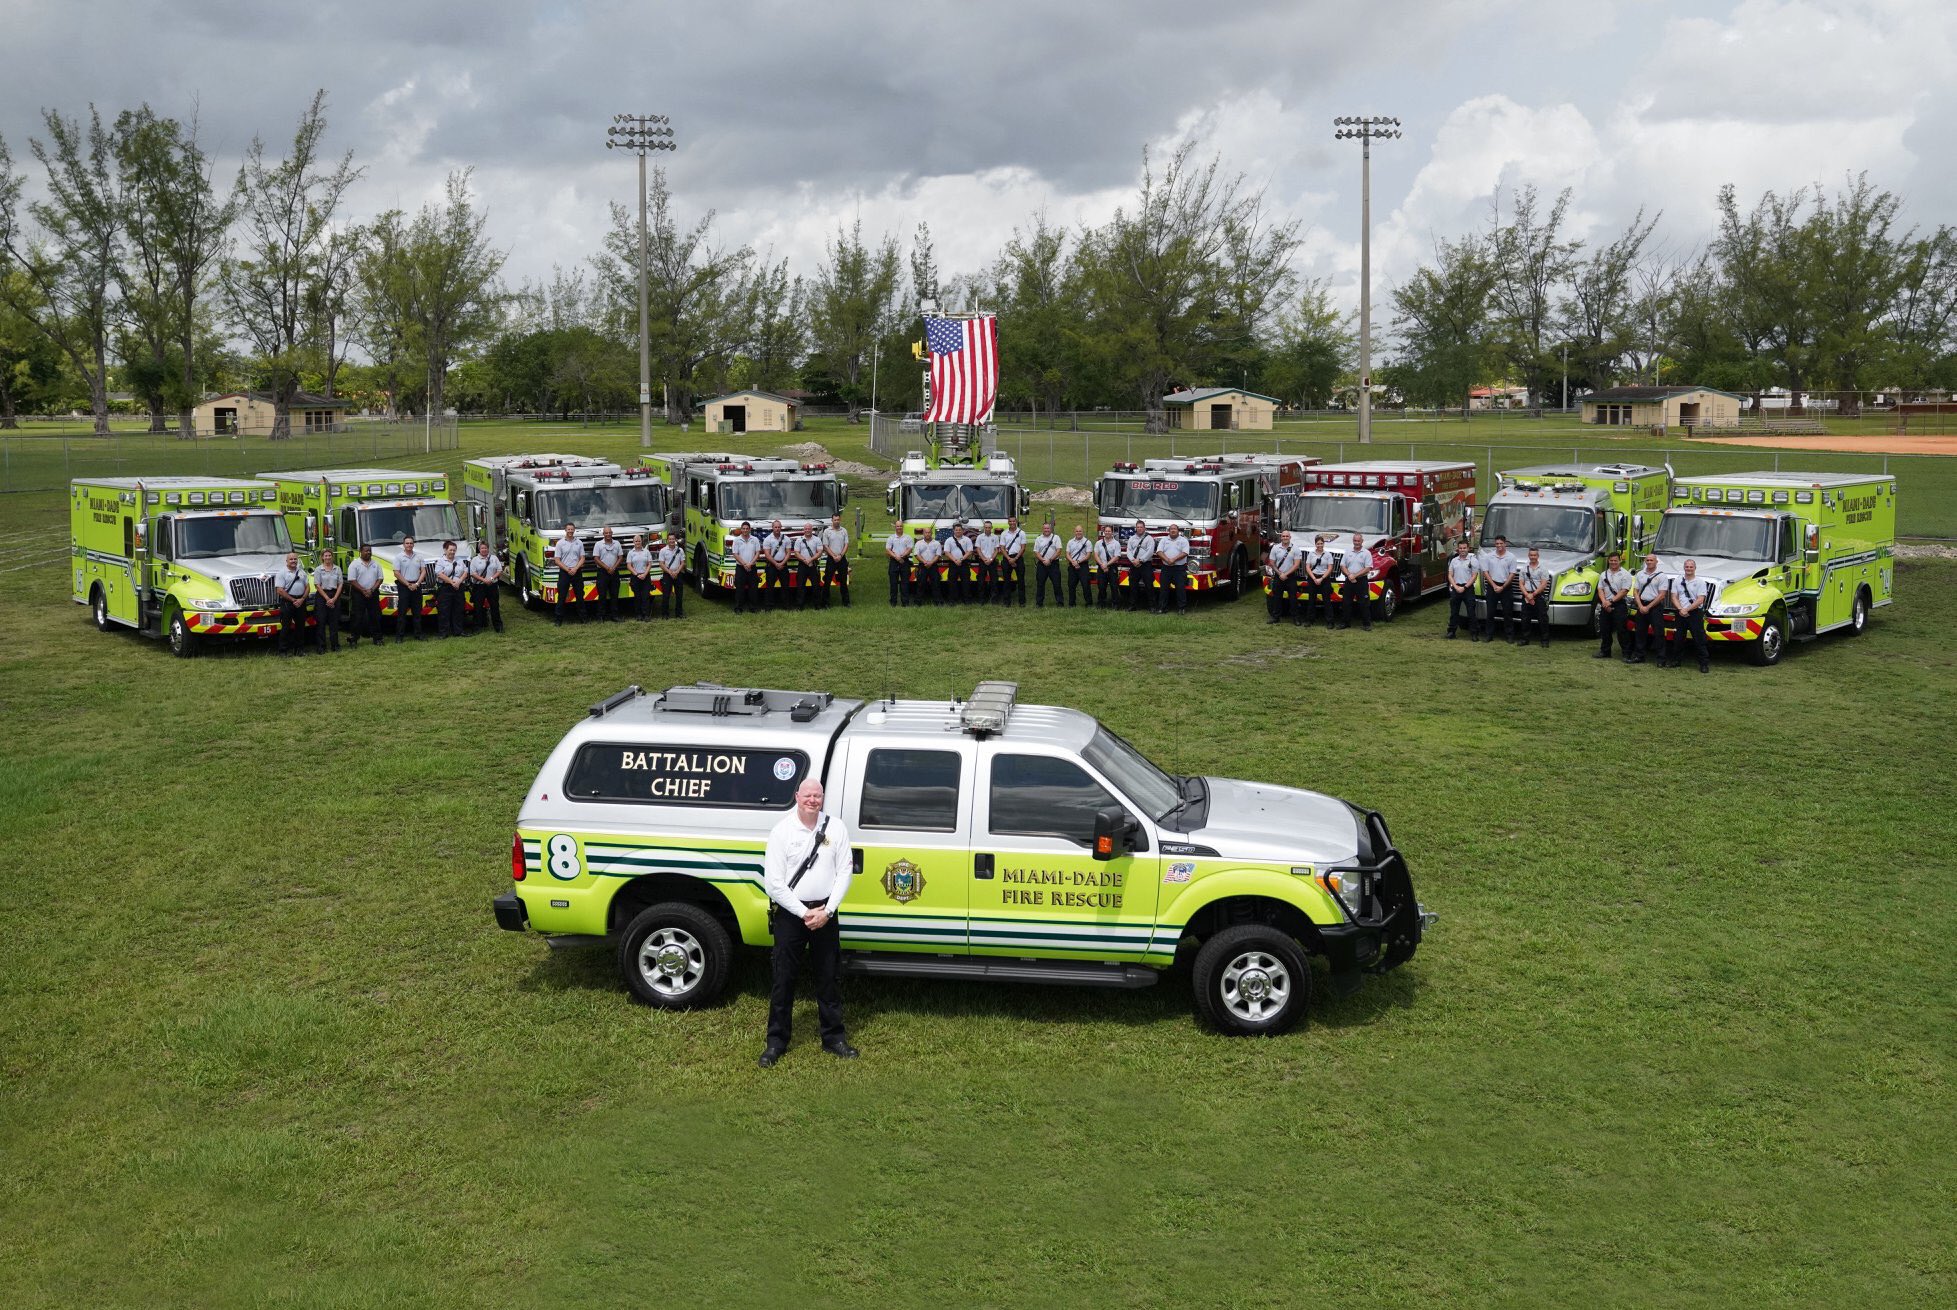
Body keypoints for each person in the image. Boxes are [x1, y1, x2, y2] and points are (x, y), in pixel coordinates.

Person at [759, 778, 857, 1067]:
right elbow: (774, 884)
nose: (813, 800)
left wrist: (827, 911)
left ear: (823, 797)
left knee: (829, 977)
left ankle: (834, 1039)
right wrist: (805, 913)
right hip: (791, 915)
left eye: (817, 795)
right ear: (797, 796)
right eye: (807, 795)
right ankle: (776, 1043)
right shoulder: (782, 831)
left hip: (826, 912)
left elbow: (845, 873)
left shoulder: (836, 828)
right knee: (783, 979)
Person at [1670, 559, 1713, 673]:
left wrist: (1687, 609)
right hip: (1680, 612)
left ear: (1695, 568)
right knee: (1678, 638)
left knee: (1699, 639)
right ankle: (1676, 661)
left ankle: (1704, 664)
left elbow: (1700, 600)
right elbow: (1674, 597)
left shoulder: (1700, 582)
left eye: (1691, 567)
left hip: (1695, 613)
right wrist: (1680, 609)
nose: (1688, 569)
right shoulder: (1677, 581)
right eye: (1687, 567)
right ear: (1684, 567)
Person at [1630, 552, 1669, 665]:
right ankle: (1639, 656)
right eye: (1647, 560)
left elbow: (1662, 595)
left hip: (1655, 607)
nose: (1649, 562)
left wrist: (1648, 607)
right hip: (1641, 605)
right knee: (1640, 632)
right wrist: (1640, 606)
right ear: (1645, 561)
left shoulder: (1662, 576)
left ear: (1656, 562)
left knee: (1659, 633)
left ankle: (1661, 659)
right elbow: (1635, 591)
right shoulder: (1640, 574)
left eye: (1651, 560)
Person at [1594, 552, 1633, 660]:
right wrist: (1604, 602)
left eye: (1615, 560)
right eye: (1611, 560)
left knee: (1621, 630)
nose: (1613, 562)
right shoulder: (1603, 574)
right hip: (1605, 603)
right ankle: (1605, 651)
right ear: (1608, 561)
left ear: (1620, 561)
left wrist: (1610, 601)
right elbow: (1600, 589)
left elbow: (1624, 591)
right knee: (1604, 629)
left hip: (1619, 604)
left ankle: (1626, 653)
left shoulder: (1625, 574)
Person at [1480, 536, 1517, 644]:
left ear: (1505, 544)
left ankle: (1509, 635)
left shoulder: (1511, 557)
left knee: (1508, 613)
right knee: (1490, 612)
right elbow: (1485, 572)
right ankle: (1489, 635)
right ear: (1495, 544)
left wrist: (1503, 587)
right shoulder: (1489, 556)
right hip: (1492, 586)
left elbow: (1512, 574)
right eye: (1497, 543)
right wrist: (1494, 585)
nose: (1499, 545)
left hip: (1506, 587)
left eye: (1501, 543)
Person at [273, 552, 310, 656]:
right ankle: (283, 651)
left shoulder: (301, 572)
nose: (293, 561)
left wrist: (302, 599)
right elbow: (280, 590)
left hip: (301, 601)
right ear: (287, 561)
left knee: (300, 627)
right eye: (291, 559)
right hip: (287, 602)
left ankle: (299, 650)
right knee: (286, 627)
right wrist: (293, 600)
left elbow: (307, 587)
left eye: (295, 559)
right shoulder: (281, 573)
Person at [347, 543, 384, 647]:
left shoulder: (376, 564)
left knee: (375, 616)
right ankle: (354, 639)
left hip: (373, 593)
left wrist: (372, 590)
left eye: (369, 551)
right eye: (366, 551)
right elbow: (352, 580)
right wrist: (363, 590)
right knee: (357, 617)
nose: (368, 552)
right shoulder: (354, 564)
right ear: (361, 551)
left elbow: (380, 579)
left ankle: (377, 638)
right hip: (358, 594)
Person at [1516, 547, 1552, 648]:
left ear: (1538, 556)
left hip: (1539, 596)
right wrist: (1527, 595)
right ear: (1528, 556)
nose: (1533, 557)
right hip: (1526, 595)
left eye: (1534, 555)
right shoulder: (1524, 568)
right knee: (1525, 618)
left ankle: (1545, 640)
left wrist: (1533, 594)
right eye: (1531, 555)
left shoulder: (1543, 569)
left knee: (1543, 619)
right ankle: (1525, 639)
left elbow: (1543, 584)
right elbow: (1521, 583)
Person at [433, 539, 470, 637]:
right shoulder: (441, 561)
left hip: (458, 587)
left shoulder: (459, 560)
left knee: (458, 609)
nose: (452, 552)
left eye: (454, 550)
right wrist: (451, 582)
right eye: (450, 550)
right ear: (445, 550)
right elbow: (439, 574)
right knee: (444, 611)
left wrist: (459, 581)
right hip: (445, 588)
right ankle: (443, 632)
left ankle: (458, 631)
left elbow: (465, 571)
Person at [1445, 538, 1479, 640]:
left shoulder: (1473, 560)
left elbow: (1474, 576)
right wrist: (1455, 587)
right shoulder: (1454, 561)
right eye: (1460, 548)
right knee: (1454, 612)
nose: (1462, 550)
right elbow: (1450, 575)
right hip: (1456, 588)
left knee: (1471, 612)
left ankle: (1474, 633)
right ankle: (1451, 632)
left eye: (1464, 548)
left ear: (1468, 548)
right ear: (1458, 549)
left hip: (1468, 588)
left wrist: (1465, 587)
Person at [395, 536, 428, 641]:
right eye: (407, 543)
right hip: (404, 586)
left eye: (411, 543)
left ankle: (418, 634)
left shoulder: (419, 557)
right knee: (402, 612)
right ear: (403, 545)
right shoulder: (398, 557)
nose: (409, 545)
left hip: (416, 586)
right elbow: (396, 573)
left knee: (417, 612)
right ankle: (399, 636)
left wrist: (417, 584)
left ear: (413, 544)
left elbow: (423, 571)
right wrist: (407, 584)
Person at [1339, 532, 1374, 631]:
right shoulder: (1348, 552)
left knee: (1364, 603)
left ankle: (1366, 624)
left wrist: (1355, 575)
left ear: (1362, 541)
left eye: (1358, 541)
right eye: (1355, 540)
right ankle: (1345, 623)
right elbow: (1342, 565)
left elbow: (1368, 568)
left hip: (1361, 581)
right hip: (1349, 580)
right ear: (1353, 541)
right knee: (1346, 602)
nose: (1356, 542)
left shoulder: (1366, 553)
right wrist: (1349, 575)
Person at [312, 549, 345, 653]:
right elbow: (317, 585)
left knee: (334, 622)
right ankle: (321, 647)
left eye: (329, 555)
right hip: (322, 596)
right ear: (322, 557)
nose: (328, 557)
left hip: (335, 595)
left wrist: (334, 598)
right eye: (325, 556)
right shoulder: (318, 569)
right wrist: (327, 598)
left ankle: (335, 645)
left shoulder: (337, 569)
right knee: (321, 622)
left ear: (332, 557)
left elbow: (340, 584)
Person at [552, 525, 585, 627]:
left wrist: (575, 568)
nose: (570, 531)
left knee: (580, 596)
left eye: (572, 529)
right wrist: (567, 569)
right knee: (562, 597)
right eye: (568, 529)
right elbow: (557, 560)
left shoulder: (579, 542)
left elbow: (582, 558)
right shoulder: (560, 543)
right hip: (564, 573)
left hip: (577, 572)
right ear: (565, 530)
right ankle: (558, 620)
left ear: (574, 530)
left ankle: (583, 618)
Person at [469, 540, 505, 634]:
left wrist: (492, 578)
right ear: (479, 549)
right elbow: (473, 573)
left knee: (494, 606)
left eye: (485, 548)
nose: (484, 550)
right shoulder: (475, 560)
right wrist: (484, 580)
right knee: (478, 607)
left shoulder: (494, 558)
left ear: (488, 549)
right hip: (479, 586)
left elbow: (499, 570)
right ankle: (477, 627)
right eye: (482, 548)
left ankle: (498, 626)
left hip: (492, 585)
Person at [1301, 535, 1335, 628]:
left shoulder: (1328, 555)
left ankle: (1330, 621)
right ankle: (1309, 620)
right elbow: (1307, 567)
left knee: (1327, 600)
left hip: (1324, 578)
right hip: (1313, 578)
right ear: (1315, 544)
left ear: (1324, 544)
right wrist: (1314, 578)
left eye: (1321, 543)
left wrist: (1322, 578)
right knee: (1311, 600)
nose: (1320, 545)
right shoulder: (1311, 554)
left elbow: (1330, 568)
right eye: (1318, 543)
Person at [1156, 523, 1190, 614]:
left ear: (1178, 531)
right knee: (1163, 588)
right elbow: (1159, 551)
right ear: (1169, 531)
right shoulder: (1164, 540)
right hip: (1166, 568)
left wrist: (1174, 559)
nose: (1173, 530)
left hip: (1179, 568)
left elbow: (1185, 552)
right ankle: (1162, 608)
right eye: (1171, 529)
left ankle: (1181, 608)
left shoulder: (1183, 540)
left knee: (1180, 588)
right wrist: (1167, 560)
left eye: (1175, 529)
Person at [592, 526, 624, 622]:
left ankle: (614, 616)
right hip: (602, 572)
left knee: (614, 595)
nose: (608, 534)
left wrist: (613, 568)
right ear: (603, 534)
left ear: (612, 533)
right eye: (606, 533)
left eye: (609, 532)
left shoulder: (617, 543)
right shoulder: (598, 544)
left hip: (614, 572)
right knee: (602, 595)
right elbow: (596, 558)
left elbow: (620, 557)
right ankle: (600, 616)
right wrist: (607, 568)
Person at [730, 522, 761, 614]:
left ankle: (753, 608)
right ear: (741, 529)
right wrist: (744, 564)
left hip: (752, 567)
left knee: (753, 588)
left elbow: (757, 553)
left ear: (750, 529)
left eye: (747, 528)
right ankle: (738, 608)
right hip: (740, 567)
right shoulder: (737, 540)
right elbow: (735, 554)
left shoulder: (755, 539)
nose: (745, 530)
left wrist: (750, 564)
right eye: (743, 528)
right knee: (740, 589)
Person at [821, 514, 852, 607]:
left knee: (843, 581)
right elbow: (825, 546)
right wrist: (834, 556)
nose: (836, 521)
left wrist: (841, 555)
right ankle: (825, 603)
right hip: (831, 559)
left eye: (838, 520)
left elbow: (846, 544)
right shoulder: (827, 531)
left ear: (840, 520)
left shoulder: (844, 531)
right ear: (832, 520)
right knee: (827, 581)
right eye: (835, 520)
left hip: (842, 558)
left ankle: (846, 602)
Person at [1265, 532, 1295, 625]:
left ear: (1290, 537)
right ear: (1281, 537)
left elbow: (1297, 564)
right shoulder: (1275, 548)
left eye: (1287, 536)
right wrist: (1279, 573)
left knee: (1293, 598)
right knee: (1276, 597)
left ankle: (1295, 618)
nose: (1285, 538)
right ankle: (1275, 617)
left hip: (1290, 576)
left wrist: (1286, 574)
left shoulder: (1295, 548)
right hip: (1279, 575)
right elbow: (1272, 562)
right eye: (1283, 536)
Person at [1126, 521, 1155, 612]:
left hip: (1145, 564)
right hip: (1134, 564)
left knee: (1149, 586)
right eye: (1138, 527)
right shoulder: (1131, 538)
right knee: (1133, 586)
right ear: (1136, 528)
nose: (1139, 528)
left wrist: (1140, 560)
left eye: (1141, 527)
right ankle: (1132, 605)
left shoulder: (1149, 539)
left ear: (1144, 528)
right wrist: (1133, 560)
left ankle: (1152, 606)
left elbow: (1150, 552)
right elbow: (1128, 550)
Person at [1032, 520, 1062, 608]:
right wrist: (1043, 560)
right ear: (1042, 529)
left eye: (1048, 528)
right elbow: (1036, 552)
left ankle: (1060, 602)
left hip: (1054, 564)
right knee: (1040, 584)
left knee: (1057, 584)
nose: (1046, 530)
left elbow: (1059, 550)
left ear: (1051, 529)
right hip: (1042, 564)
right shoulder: (1038, 539)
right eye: (1045, 528)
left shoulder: (1056, 538)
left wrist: (1050, 560)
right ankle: (1039, 603)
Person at [658, 532, 687, 619]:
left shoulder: (680, 550)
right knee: (666, 595)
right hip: (667, 575)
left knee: (679, 595)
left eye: (673, 539)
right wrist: (670, 572)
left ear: (675, 540)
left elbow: (683, 563)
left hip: (678, 574)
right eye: (670, 539)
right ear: (667, 540)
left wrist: (677, 572)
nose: (671, 541)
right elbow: (661, 564)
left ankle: (679, 613)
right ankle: (665, 614)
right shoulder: (663, 550)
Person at [626, 533, 655, 621]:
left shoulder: (646, 552)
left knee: (645, 597)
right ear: (633, 542)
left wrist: (645, 574)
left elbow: (650, 564)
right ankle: (638, 615)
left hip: (645, 576)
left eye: (639, 541)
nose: (637, 542)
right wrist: (636, 574)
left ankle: (646, 615)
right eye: (636, 541)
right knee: (637, 597)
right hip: (635, 577)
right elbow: (629, 565)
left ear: (641, 541)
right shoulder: (631, 553)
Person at [792, 522, 821, 609]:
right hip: (802, 565)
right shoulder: (799, 540)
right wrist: (804, 560)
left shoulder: (817, 539)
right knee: (800, 586)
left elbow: (819, 552)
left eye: (809, 529)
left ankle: (817, 605)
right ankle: (800, 606)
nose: (807, 530)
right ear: (803, 530)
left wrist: (811, 560)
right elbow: (796, 553)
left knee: (816, 586)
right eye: (806, 529)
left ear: (812, 530)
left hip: (813, 565)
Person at [761, 519, 789, 609]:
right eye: (775, 527)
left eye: (779, 527)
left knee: (785, 586)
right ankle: (769, 606)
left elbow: (788, 553)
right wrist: (776, 564)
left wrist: (782, 563)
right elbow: (767, 554)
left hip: (783, 565)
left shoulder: (786, 539)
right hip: (772, 566)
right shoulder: (767, 539)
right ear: (772, 528)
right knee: (769, 587)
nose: (777, 528)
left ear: (781, 528)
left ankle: (786, 605)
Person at [1001, 515, 1028, 607]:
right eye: (1010, 521)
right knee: (1006, 581)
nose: (1012, 523)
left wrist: (1015, 559)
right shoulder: (1004, 533)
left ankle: (1022, 602)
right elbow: (1002, 548)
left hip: (1018, 558)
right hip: (1007, 558)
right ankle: (1007, 602)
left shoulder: (1022, 533)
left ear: (1016, 522)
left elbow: (1023, 548)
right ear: (1008, 522)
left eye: (1013, 521)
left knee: (1021, 581)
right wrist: (1009, 559)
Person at [1064, 524, 1093, 607]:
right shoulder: (1070, 542)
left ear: (1082, 532)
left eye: (1080, 531)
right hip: (1072, 565)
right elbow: (1067, 554)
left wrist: (1078, 562)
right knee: (1071, 585)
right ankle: (1072, 604)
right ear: (1074, 532)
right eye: (1077, 531)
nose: (1078, 532)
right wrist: (1073, 562)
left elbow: (1088, 555)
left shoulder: (1087, 542)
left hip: (1083, 566)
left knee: (1085, 585)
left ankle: (1089, 603)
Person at [884, 522, 912, 607]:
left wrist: (902, 556)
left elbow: (909, 548)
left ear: (902, 527)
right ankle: (893, 602)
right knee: (893, 583)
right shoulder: (891, 538)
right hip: (894, 561)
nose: (899, 527)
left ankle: (905, 602)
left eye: (900, 526)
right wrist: (896, 557)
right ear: (895, 527)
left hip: (904, 561)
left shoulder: (908, 537)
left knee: (905, 583)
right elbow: (888, 550)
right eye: (897, 526)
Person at [1093, 525, 1121, 609]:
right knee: (1101, 586)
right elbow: (1096, 555)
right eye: (1106, 531)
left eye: (1109, 531)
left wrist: (1107, 565)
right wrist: (1102, 564)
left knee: (1114, 587)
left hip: (1112, 567)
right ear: (1104, 532)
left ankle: (1115, 604)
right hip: (1101, 567)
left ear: (1112, 532)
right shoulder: (1099, 543)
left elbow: (1116, 557)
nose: (1107, 532)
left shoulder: (1116, 543)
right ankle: (1101, 603)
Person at [912, 527, 942, 606]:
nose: (927, 534)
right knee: (921, 584)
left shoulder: (937, 543)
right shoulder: (918, 543)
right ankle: (918, 602)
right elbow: (916, 554)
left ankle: (938, 602)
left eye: (929, 532)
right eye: (926, 532)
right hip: (923, 565)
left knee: (936, 584)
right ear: (923, 533)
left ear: (932, 533)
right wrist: (924, 562)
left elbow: (938, 555)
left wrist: (931, 562)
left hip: (933, 565)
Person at [973, 521, 1000, 605]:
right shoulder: (980, 537)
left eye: (989, 527)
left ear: (991, 528)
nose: (987, 529)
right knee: (981, 581)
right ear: (984, 528)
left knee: (994, 581)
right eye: (986, 527)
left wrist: (991, 559)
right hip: (982, 561)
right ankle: (981, 600)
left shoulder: (995, 537)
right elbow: (978, 549)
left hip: (992, 561)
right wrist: (984, 559)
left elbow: (996, 549)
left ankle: (994, 600)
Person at [944, 525, 971, 605]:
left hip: (964, 563)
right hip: (953, 563)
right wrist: (955, 560)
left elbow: (969, 551)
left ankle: (966, 600)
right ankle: (952, 600)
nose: (958, 531)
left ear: (962, 531)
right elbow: (947, 552)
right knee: (952, 583)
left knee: (966, 582)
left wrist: (961, 559)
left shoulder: (967, 539)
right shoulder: (949, 540)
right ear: (953, 531)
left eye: (960, 530)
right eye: (956, 530)